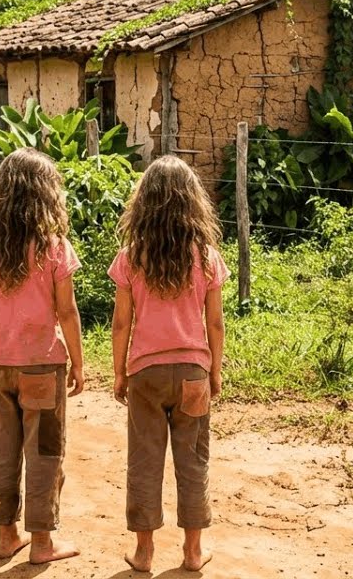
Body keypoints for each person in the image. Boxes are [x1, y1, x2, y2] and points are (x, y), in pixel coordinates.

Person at [109, 155, 228, 573]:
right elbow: (214, 321)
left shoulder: (131, 256)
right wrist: (213, 372)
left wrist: (120, 371)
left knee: (144, 459)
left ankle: (143, 553)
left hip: (145, 372)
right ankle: (193, 552)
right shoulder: (207, 256)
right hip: (193, 372)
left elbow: (122, 321)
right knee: (193, 460)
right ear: (191, 201)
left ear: (144, 202)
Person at [0, 148, 85, 565]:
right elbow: (67, 311)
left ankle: (6, 537)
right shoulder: (54, 248)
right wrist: (78, 361)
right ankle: (41, 543)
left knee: (3, 448)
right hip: (43, 364)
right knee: (45, 452)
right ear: (45, 194)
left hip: (0, 363)